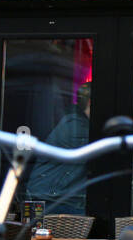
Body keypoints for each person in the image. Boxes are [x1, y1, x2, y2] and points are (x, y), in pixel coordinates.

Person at [27, 83, 91, 214]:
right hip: (50, 198)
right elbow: (102, 152)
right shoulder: (75, 125)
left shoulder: (78, 122)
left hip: (54, 195)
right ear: (90, 103)